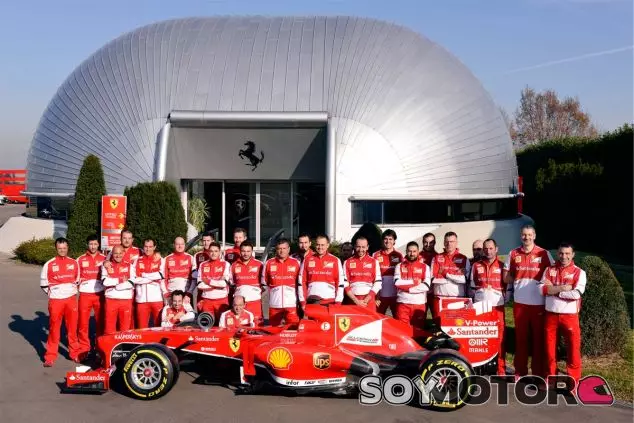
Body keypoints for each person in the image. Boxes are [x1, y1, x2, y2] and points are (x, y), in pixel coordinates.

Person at [503, 225, 554, 380]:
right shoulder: (513, 253)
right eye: (524, 235)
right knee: (521, 340)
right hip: (520, 303)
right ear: (521, 236)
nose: (527, 238)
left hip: (539, 303)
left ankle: (538, 373)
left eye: (530, 235)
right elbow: (505, 277)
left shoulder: (544, 253)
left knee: (538, 340)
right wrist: (518, 279)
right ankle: (520, 372)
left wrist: (545, 282)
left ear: (535, 235)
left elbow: (553, 273)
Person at [538, 242, 586, 391]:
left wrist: (553, 290)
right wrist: (563, 288)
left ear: (572, 255)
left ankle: (573, 383)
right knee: (549, 349)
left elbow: (576, 294)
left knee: (573, 350)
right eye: (561, 253)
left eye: (567, 253)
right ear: (557, 254)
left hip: (570, 316)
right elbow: (541, 289)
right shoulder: (549, 269)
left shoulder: (579, 272)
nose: (563, 256)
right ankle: (550, 378)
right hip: (550, 314)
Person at [40, 237, 81, 367]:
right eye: (59, 248)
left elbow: (78, 280)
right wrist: (55, 293)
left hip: (71, 300)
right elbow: (43, 284)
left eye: (64, 248)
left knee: (72, 328)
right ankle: (50, 357)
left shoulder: (74, 263)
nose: (62, 250)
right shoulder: (49, 264)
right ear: (56, 248)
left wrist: (69, 292)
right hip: (56, 301)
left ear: (68, 248)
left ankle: (75, 354)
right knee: (54, 329)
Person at [469, 238, 506, 375]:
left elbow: (508, 288)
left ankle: (501, 369)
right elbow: (472, 287)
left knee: (500, 338)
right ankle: (481, 367)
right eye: (486, 249)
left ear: (496, 249)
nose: (488, 251)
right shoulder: (476, 266)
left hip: (497, 307)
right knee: (480, 338)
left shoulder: (502, 266)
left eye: (491, 248)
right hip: (480, 307)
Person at [76, 234, 106, 358]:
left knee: (101, 322)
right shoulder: (80, 259)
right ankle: (84, 348)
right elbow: (75, 277)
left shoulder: (105, 258)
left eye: (95, 244)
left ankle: (100, 348)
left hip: (100, 294)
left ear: (98, 244)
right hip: (85, 295)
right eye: (90, 244)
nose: (93, 246)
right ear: (87, 245)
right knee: (83, 323)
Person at [297, 234, 347, 308]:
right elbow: (301, 282)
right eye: (318, 245)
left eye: (322, 245)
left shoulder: (335, 260)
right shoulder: (307, 260)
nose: (320, 247)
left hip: (330, 302)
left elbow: (340, 283)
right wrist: (302, 302)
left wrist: (338, 302)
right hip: (312, 302)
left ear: (327, 245)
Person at [262, 238, 302, 326]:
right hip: (275, 304)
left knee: (293, 329)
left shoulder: (296, 263)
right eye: (279, 248)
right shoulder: (269, 263)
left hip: (291, 304)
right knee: (274, 330)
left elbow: (300, 283)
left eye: (284, 248)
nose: (282, 251)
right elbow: (265, 283)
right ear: (276, 249)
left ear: (289, 249)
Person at [430, 232, 470, 316]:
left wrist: (446, 274)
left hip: (457, 298)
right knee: (439, 323)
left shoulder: (464, 258)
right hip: (439, 297)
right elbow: (433, 279)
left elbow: (463, 280)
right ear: (444, 243)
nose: (449, 244)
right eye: (447, 242)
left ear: (456, 243)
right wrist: (455, 276)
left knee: (457, 323)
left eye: (452, 241)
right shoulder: (436, 258)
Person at [393, 241, 431, 330]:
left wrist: (408, 289)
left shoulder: (425, 267)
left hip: (419, 304)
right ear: (406, 251)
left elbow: (426, 286)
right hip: (403, 303)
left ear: (418, 252)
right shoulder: (399, 266)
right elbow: (397, 283)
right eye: (409, 251)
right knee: (402, 331)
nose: (412, 254)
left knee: (418, 331)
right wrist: (415, 282)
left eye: (414, 251)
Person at [132, 238, 167, 328]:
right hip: (141, 299)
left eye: (150, 247)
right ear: (143, 247)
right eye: (146, 247)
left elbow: (161, 275)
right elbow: (134, 278)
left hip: (157, 299)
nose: (148, 249)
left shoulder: (160, 260)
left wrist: (143, 275)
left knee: (159, 326)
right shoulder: (137, 260)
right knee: (141, 327)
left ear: (154, 247)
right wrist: (151, 279)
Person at [101, 245, 135, 335]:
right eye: (116, 253)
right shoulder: (106, 265)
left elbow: (131, 282)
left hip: (126, 300)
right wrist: (119, 280)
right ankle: (108, 348)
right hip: (111, 300)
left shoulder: (129, 266)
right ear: (112, 253)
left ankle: (124, 348)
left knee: (125, 329)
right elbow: (105, 282)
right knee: (109, 328)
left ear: (123, 253)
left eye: (120, 253)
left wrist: (117, 286)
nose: (118, 255)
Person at [229, 241, 265, 325]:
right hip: (239, 305)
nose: (246, 254)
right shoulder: (234, 265)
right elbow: (232, 285)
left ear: (252, 252)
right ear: (240, 251)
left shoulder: (259, 265)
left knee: (258, 328)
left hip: (255, 303)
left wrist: (255, 294)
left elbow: (264, 285)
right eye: (243, 251)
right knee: (239, 329)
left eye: (248, 251)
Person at [196, 241, 232, 324]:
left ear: (220, 252)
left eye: (216, 251)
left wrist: (208, 281)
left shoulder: (226, 264)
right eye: (211, 251)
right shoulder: (202, 265)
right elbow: (200, 285)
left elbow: (224, 284)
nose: (213, 253)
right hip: (206, 301)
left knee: (222, 326)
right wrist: (217, 283)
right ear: (208, 252)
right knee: (207, 327)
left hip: (222, 300)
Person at [343, 237, 382, 312]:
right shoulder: (347, 262)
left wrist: (366, 300)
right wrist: (356, 301)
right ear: (354, 246)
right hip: (352, 300)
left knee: (371, 323)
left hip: (369, 300)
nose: (361, 250)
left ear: (367, 247)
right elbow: (345, 284)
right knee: (354, 323)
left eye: (363, 247)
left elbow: (378, 283)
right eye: (358, 247)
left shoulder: (374, 261)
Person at [372, 229, 403, 317]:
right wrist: (376, 296)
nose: (388, 241)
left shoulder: (399, 255)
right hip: (380, 295)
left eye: (390, 239)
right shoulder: (375, 255)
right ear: (382, 241)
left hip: (395, 295)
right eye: (385, 239)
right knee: (378, 318)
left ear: (394, 241)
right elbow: (373, 276)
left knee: (397, 320)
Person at [163, 237, 197, 303]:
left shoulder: (190, 258)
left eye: (182, 244)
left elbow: (194, 279)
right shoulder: (167, 259)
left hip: (186, 294)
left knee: (188, 313)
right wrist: (166, 293)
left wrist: (189, 293)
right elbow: (163, 279)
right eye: (177, 244)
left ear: (184, 245)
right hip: (171, 294)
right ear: (174, 245)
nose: (180, 246)